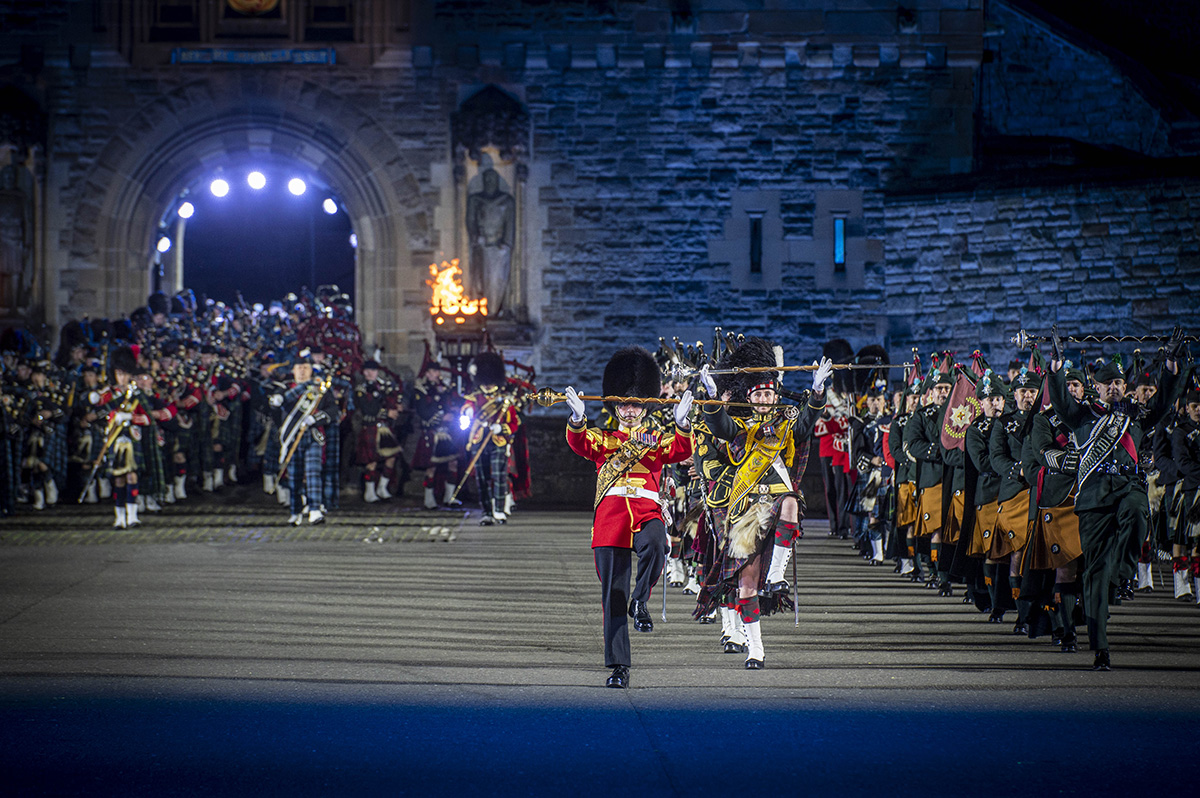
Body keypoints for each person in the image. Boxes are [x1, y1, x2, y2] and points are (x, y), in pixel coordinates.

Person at [694, 339, 833, 669]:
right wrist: (713, 398)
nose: (763, 399)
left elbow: (806, 424)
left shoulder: (786, 425)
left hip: (777, 500)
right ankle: (756, 649)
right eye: (757, 394)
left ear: (774, 396)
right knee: (745, 585)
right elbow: (718, 425)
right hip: (747, 509)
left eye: (769, 394)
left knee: (790, 504)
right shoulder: (739, 429)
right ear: (750, 397)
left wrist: (816, 393)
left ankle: (776, 576)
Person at [564, 345, 694, 688]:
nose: (630, 410)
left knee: (657, 544)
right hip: (610, 522)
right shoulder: (604, 440)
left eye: (636, 404)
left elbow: (680, 450)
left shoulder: (655, 441)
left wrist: (682, 424)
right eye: (624, 403)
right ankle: (619, 665)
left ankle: (642, 600)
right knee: (613, 596)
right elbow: (580, 444)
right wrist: (576, 420)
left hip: (647, 512)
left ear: (645, 405)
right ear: (614, 406)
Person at [1048, 345, 1181, 670]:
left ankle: (1121, 573)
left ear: (1125, 386)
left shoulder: (1135, 415)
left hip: (1128, 489)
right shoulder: (1082, 415)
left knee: (1137, 515)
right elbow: (1062, 401)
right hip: (1093, 496)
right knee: (1093, 570)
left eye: (1119, 383)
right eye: (1108, 384)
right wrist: (1054, 367)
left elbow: (1163, 403)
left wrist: (1172, 367)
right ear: (1098, 385)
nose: (1115, 388)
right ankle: (1100, 647)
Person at [460, 351, 520, 525]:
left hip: (498, 440)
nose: (486, 386)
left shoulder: (505, 401)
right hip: (479, 439)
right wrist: (468, 412)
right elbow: (466, 408)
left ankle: (499, 510)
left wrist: (501, 428)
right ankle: (487, 511)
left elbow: (515, 423)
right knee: (482, 477)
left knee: (499, 476)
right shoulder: (474, 398)